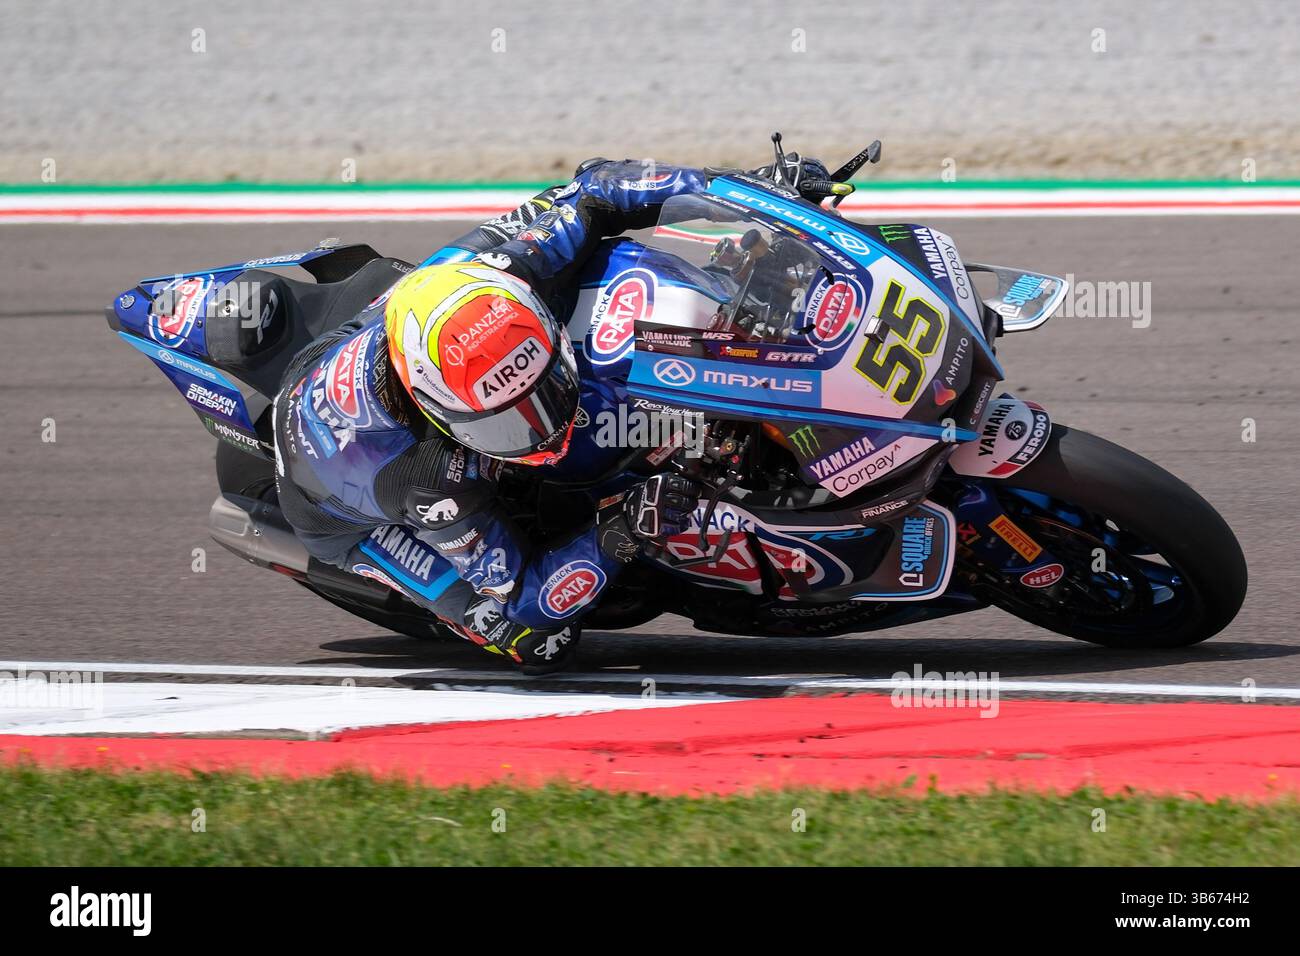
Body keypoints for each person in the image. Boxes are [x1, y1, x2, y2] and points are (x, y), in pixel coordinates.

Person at [272, 159, 717, 673]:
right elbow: (526, 596)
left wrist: (733, 189)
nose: (546, 432)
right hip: (335, 509)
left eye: (545, 390)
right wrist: (624, 530)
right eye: (504, 422)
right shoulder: (428, 480)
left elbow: (595, 190)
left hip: (369, 331)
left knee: (552, 230)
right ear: (436, 406)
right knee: (536, 639)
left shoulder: (496, 275)